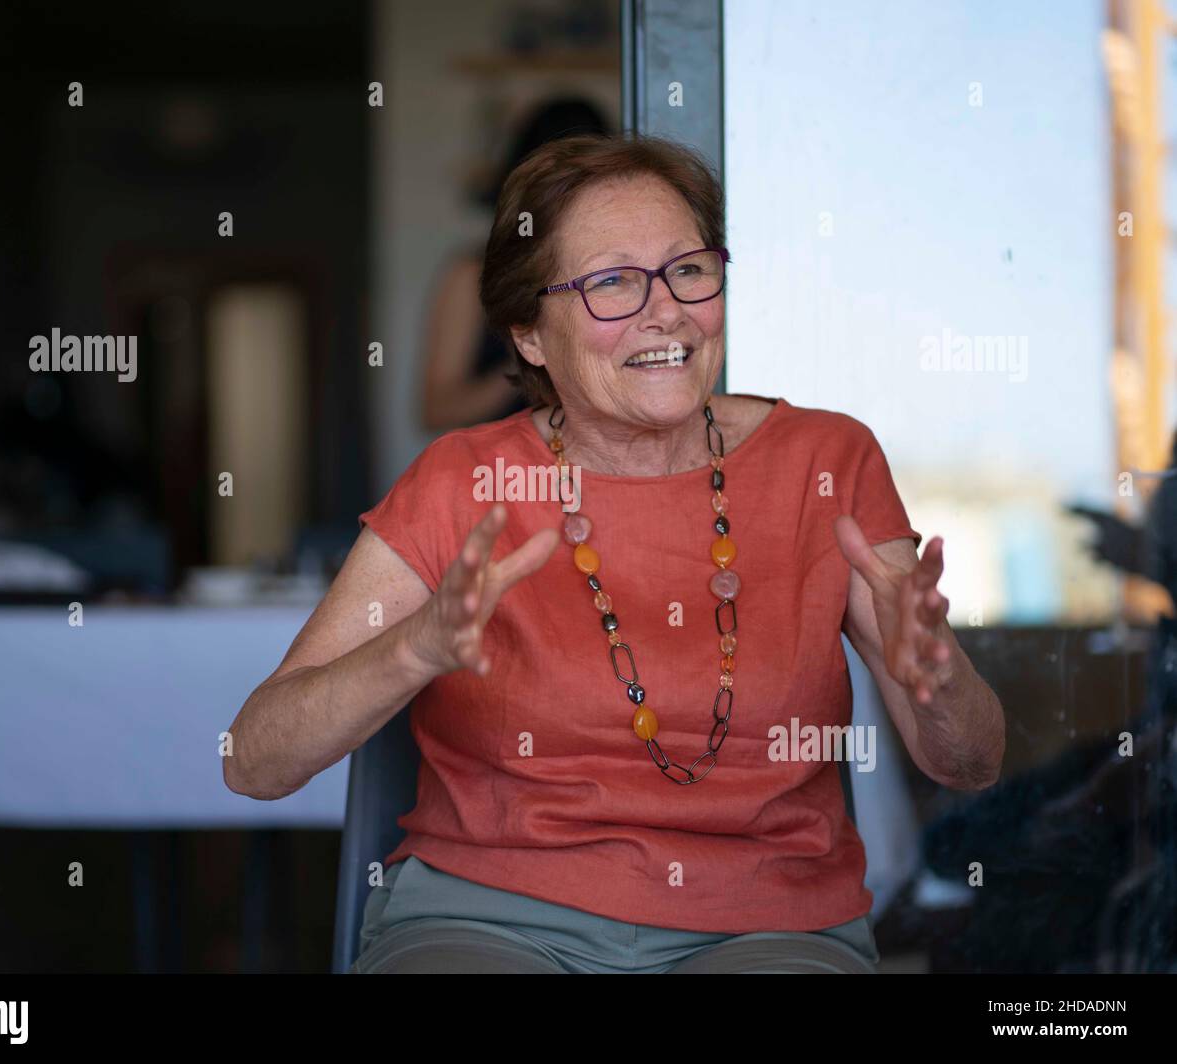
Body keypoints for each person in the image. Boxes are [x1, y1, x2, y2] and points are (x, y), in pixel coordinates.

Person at [225, 133, 1006, 974]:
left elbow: (968, 763)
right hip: (490, 920)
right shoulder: (463, 482)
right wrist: (411, 648)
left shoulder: (827, 463)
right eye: (612, 283)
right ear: (528, 334)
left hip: (766, 927)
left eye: (689, 271)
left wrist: (937, 677)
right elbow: (256, 762)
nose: (665, 310)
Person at [420, 98, 610, 431]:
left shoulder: (617, 272)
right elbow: (437, 411)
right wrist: (529, 358)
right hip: (503, 472)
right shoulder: (471, 274)